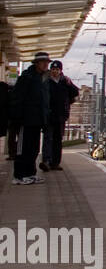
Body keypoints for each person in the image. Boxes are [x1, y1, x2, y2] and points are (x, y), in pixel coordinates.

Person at [11, 52, 52, 185]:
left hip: (38, 119)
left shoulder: (43, 79)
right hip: (26, 119)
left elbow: (45, 101)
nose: (46, 64)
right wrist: (19, 117)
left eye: (47, 62)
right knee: (23, 148)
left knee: (34, 148)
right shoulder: (27, 77)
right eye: (44, 62)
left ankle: (30, 173)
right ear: (37, 63)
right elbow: (17, 98)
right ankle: (19, 175)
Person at [40, 61, 78, 171]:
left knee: (57, 140)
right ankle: (46, 161)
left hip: (61, 116)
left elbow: (75, 93)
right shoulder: (46, 81)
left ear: (60, 71)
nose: (55, 71)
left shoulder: (65, 82)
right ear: (50, 70)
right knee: (48, 138)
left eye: (57, 69)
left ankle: (55, 163)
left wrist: (69, 84)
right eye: (53, 69)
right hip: (49, 115)